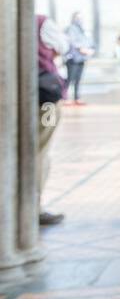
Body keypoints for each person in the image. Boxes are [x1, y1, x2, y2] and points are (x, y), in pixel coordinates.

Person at [36, 14, 68, 227]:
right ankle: (34, 208)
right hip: (44, 99)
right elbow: (61, 47)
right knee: (39, 150)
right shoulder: (41, 22)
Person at [63, 12, 93, 106]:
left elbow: (88, 41)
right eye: (77, 17)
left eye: (81, 18)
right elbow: (71, 41)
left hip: (81, 58)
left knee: (78, 79)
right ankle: (65, 97)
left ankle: (77, 97)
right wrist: (81, 49)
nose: (79, 20)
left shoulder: (82, 30)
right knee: (70, 78)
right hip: (73, 58)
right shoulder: (70, 28)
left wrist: (90, 49)